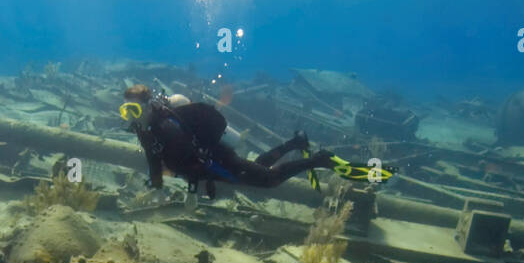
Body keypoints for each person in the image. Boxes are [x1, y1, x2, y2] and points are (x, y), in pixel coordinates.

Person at [119, 84, 391, 198]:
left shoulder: (164, 127)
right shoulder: (149, 131)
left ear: (147, 107)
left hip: (216, 161)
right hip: (213, 165)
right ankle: (295, 143)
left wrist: (159, 182)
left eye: (133, 110)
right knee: (256, 169)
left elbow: (174, 160)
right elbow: (160, 164)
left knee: (269, 180)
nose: (129, 117)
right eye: (124, 111)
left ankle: (321, 160)